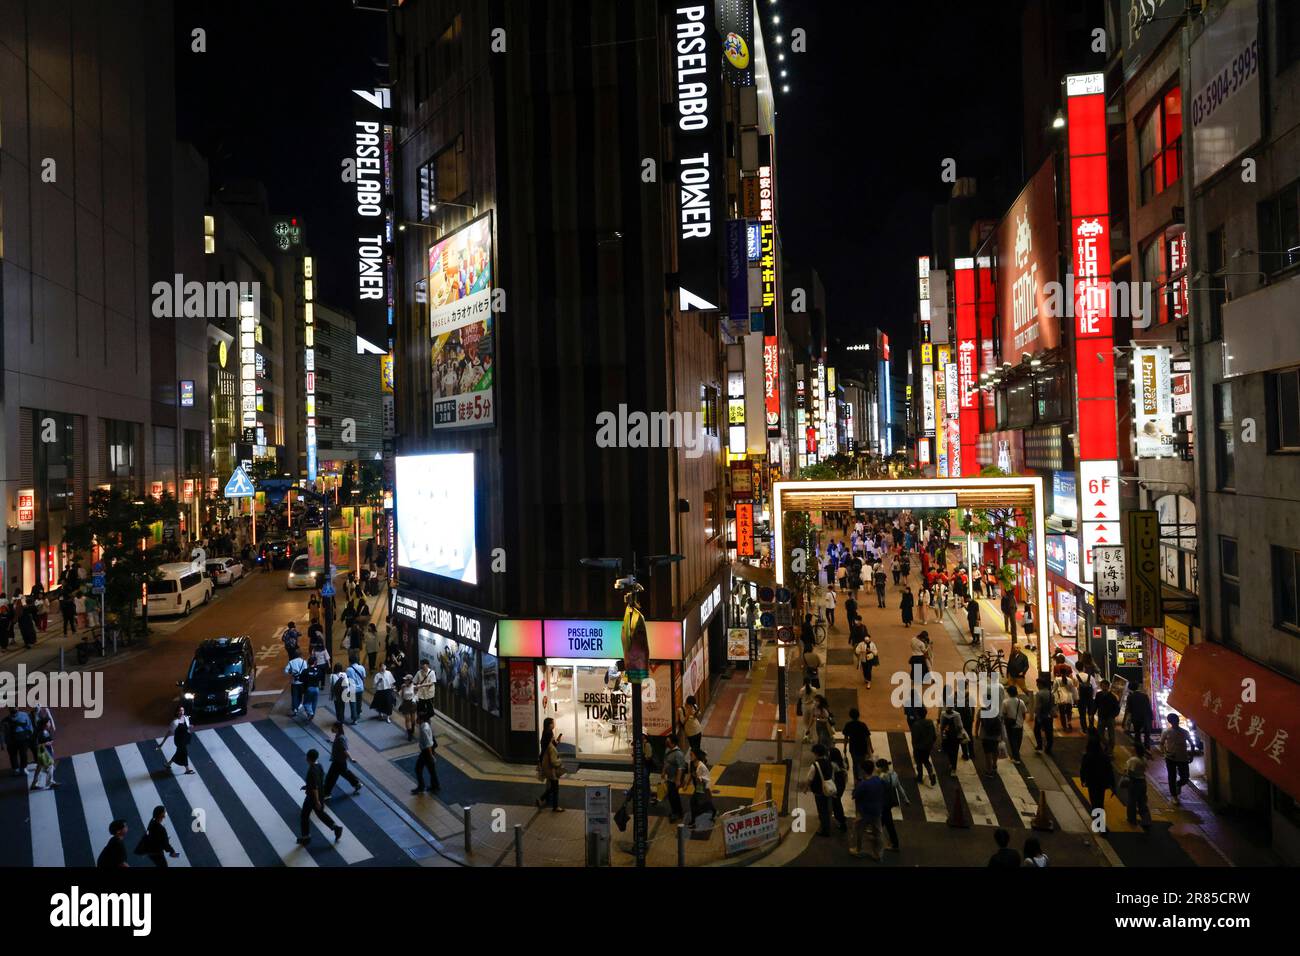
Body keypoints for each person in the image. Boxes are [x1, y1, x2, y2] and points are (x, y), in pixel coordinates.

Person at [299, 749, 344, 845]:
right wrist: (308, 786)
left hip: (312, 797)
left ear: (308, 758)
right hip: (320, 794)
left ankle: (305, 837)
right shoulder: (319, 766)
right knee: (320, 814)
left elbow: (314, 787)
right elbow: (318, 781)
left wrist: (317, 801)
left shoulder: (311, 770)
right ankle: (336, 828)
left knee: (304, 815)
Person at [806, 743, 846, 836]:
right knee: (833, 806)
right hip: (835, 788)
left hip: (830, 789)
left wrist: (806, 787)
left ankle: (826, 828)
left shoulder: (831, 764)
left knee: (825, 808)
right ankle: (840, 823)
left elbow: (811, 778)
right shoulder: (839, 763)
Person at [850, 765, 887, 860]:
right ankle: (879, 854)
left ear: (863, 772)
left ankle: (859, 849)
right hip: (877, 810)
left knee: (859, 830)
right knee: (878, 831)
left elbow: (855, 795)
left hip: (864, 811)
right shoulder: (878, 780)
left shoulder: (863, 784)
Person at [322, 723, 364, 800]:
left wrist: (351, 758)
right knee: (344, 773)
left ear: (337, 728)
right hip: (339, 761)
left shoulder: (340, 738)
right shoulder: (339, 737)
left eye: (333, 727)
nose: (332, 729)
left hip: (338, 761)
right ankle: (357, 783)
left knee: (330, 778)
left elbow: (345, 750)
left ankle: (327, 793)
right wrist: (332, 742)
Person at [1159, 713, 1194, 805]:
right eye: (1174, 720)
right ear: (1170, 722)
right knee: (1171, 776)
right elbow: (1161, 743)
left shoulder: (1184, 732)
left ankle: (1178, 784)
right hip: (1170, 758)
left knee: (1185, 777)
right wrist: (1164, 753)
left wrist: (1191, 755)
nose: (1176, 722)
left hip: (1183, 757)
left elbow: (1192, 743)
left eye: (1177, 720)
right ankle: (1174, 796)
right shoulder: (1166, 732)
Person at [1079, 732, 1115, 813]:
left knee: (1094, 801)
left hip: (1091, 782)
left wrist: (1082, 779)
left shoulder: (1087, 756)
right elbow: (1110, 770)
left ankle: (1097, 820)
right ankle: (1100, 821)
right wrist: (1113, 784)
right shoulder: (1104, 756)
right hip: (1102, 783)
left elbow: (1083, 769)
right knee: (1100, 801)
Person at [536, 717, 565, 811]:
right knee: (555, 786)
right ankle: (554, 806)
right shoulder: (549, 744)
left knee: (552, 785)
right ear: (549, 725)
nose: (554, 724)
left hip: (545, 764)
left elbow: (551, 745)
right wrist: (560, 762)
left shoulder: (545, 735)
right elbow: (553, 760)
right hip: (549, 766)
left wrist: (556, 742)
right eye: (553, 723)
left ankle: (543, 799)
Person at [159, 706, 195, 774]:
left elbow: (187, 726)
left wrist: (190, 726)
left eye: (182, 710)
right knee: (184, 753)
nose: (181, 712)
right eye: (180, 711)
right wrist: (162, 743)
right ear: (177, 712)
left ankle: (168, 764)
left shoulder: (186, 718)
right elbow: (169, 732)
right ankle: (187, 769)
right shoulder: (174, 722)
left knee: (179, 753)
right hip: (179, 740)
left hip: (185, 738)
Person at [661, 736, 688, 822]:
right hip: (669, 778)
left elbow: (681, 768)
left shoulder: (678, 754)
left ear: (673, 743)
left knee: (674, 796)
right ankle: (674, 811)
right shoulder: (668, 750)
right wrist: (663, 772)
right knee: (671, 796)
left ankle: (678, 813)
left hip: (674, 779)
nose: (666, 742)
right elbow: (666, 762)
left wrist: (678, 780)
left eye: (668, 741)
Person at [411, 715, 441, 793]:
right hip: (426, 751)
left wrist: (431, 756)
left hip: (426, 752)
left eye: (418, 718)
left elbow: (428, 744)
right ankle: (435, 786)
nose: (416, 719)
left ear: (421, 719)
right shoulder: (425, 725)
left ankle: (422, 786)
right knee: (431, 770)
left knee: (418, 769)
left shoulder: (424, 729)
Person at [1125, 681, 1154, 758]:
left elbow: (1130, 709)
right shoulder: (1145, 695)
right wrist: (1151, 717)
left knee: (1137, 734)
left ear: (1130, 688)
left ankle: (1139, 750)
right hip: (1146, 717)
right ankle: (1147, 750)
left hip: (1136, 718)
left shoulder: (1130, 697)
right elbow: (1148, 706)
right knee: (1147, 734)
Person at [842, 708, 873, 781]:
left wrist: (845, 748)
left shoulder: (848, 725)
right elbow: (867, 737)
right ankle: (864, 778)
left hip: (853, 747)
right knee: (863, 763)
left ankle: (856, 780)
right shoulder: (862, 725)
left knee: (855, 764)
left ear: (850, 716)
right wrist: (870, 748)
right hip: (863, 747)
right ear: (858, 715)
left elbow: (846, 738)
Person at [910, 707, 938, 786]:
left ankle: (919, 777)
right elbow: (934, 735)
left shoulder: (916, 725)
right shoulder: (930, 722)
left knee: (919, 762)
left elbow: (914, 738)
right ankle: (931, 774)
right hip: (927, 747)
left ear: (918, 715)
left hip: (918, 748)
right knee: (926, 760)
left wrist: (914, 746)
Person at [1000, 686, 1027, 762]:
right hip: (1019, 724)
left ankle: (1016, 757)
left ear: (1008, 693)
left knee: (1012, 741)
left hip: (1010, 724)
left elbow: (1003, 714)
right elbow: (1024, 713)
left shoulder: (1005, 702)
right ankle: (1016, 753)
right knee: (1018, 740)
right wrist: (1022, 720)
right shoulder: (1020, 702)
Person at [977, 697, 1003, 777]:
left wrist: (976, 732)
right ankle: (994, 765)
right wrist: (1001, 735)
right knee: (995, 750)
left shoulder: (981, 711)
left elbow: (978, 722)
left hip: (985, 735)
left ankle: (989, 770)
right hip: (995, 735)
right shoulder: (996, 710)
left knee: (987, 753)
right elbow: (1001, 724)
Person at [1032, 675, 1056, 755]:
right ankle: (1048, 747)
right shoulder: (1050, 693)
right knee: (1049, 732)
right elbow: (1053, 705)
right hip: (1048, 716)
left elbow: (1038, 706)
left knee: (1036, 730)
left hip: (1041, 715)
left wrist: (1037, 716)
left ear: (1041, 684)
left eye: (1037, 684)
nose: (1037, 685)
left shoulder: (1039, 694)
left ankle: (1039, 745)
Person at [939, 703, 966, 775]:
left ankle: (951, 764)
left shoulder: (943, 714)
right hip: (955, 737)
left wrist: (942, 736)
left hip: (946, 736)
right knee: (954, 752)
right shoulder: (957, 715)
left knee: (949, 751)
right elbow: (960, 726)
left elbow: (941, 727)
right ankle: (953, 767)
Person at [1095, 680, 1121, 752]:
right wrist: (1092, 713)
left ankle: (1110, 749)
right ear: (1101, 686)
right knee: (1099, 734)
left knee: (1111, 734)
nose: (1104, 687)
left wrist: (1113, 716)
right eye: (1103, 685)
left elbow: (1117, 708)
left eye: (1106, 685)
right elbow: (1096, 705)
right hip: (1101, 717)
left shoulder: (1113, 697)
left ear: (1108, 686)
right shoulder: (1098, 695)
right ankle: (1106, 745)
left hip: (1110, 718)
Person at [1053, 668, 1078, 732]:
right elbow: (1073, 690)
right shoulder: (1070, 680)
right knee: (1069, 712)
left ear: (1059, 673)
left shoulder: (1057, 680)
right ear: (1066, 673)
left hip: (1061, 699)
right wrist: (1076, 698)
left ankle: (1064, 726)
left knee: (1062, 713)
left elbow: (1054, 690)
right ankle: (1069, 723)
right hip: (1069, 698)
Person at [285, 650, 308, 715]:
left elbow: (286, 671)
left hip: (294, 682)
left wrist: (291, 672)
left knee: (294, 695)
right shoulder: (304, 661)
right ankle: (298, 705)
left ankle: (295, 708)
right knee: (300, 694)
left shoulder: (291, 662)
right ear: (300, 655)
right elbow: (305, 670)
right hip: (302, 682)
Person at [345, 658, 367, 724]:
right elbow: (364, 677)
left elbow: (347, 680)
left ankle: (355, 719)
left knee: (353, 704)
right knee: (359, 701)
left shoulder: (348, 669)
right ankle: (358, 713)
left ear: (350, 662)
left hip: (352, 689)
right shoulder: (362, 667)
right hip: (360, 688)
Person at [398, 675, 418, 739]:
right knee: (407, 719)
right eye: (405, 680)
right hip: (406, 703)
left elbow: (416, 694)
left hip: (412, 704)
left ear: (410, 681)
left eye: (406, 680)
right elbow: (400, 695)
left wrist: (414, 700)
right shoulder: (403, 686)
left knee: (413, 719)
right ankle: (409, 734)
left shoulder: (414, 687)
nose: (405, 681)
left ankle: (412, 728)